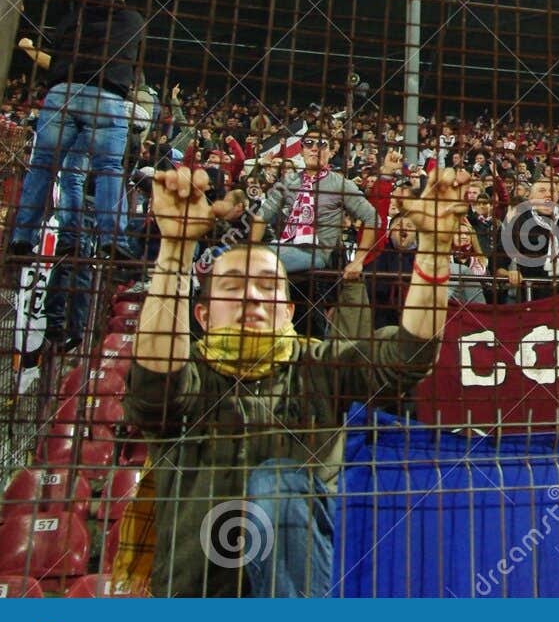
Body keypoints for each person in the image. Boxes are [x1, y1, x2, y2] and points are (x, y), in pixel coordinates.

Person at [123, 163, 463, 597]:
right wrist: (174, 249)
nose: (251, 296)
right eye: (232, 286)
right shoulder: (189, 371)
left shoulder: (318, 364)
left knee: (278, 482)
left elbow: (408, 357)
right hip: (195, 597)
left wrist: (434, 247)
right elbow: (155, 386)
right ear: (202, 317)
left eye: (268, 287)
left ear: (288, 310)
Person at [10, 0, 145, 256]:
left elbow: (56, 59)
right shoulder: (134, 21)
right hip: (106, 97)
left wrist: (27, 43)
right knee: (108, 167)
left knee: (44, 165)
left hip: (63, 92)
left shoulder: (74, 18)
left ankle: (22, 238)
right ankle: (112, 240)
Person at [250, 126, 379, 278]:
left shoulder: (341, 184)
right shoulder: (287, 182)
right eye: (309, 143)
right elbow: (261, 216)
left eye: (322, 144)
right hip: (285, 245)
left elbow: (372, 217)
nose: (314, 149)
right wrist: (250, 249)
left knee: (260, 260)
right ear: (301, 151)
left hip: (317, 253)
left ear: (330, 153)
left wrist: (358, 261)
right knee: (240, 256)